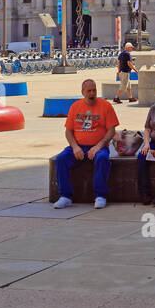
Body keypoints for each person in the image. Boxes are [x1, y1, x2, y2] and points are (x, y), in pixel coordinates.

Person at [54, 79, 118, 210]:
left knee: (102, 158)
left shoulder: (106, 106)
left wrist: (98, 146)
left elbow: (111, 130)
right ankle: (65, 196)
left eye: (94, 90)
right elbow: (68, 131)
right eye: (89, 91)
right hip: (78, 146)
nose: (92, 93)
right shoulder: (75, 107)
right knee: (61, 159)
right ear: (82, 92)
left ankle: (100, 195)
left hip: (99, 146)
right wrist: (75, 147)